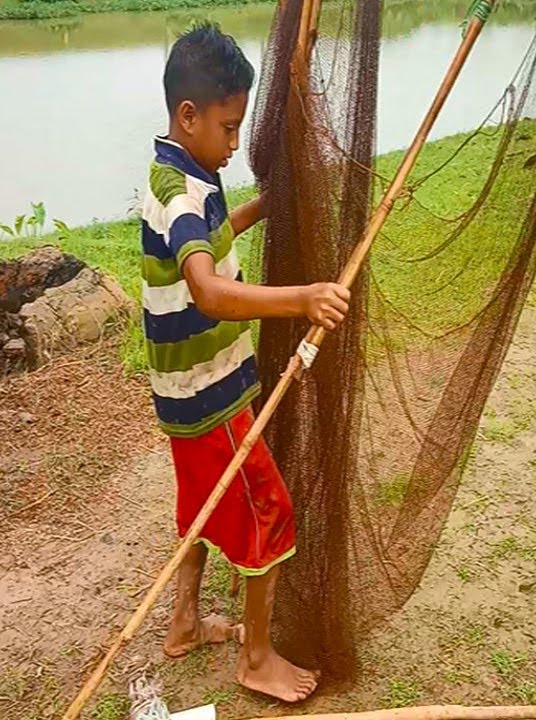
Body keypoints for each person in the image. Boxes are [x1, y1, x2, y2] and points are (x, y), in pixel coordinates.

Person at [141, 22, 348, 702]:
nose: (236, 144)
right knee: (269, 511)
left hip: (181, 394)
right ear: (187, 115)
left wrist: (268, 205)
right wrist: (303, 299)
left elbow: (215, 236)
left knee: (199, 508)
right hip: (208, 397)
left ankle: (181, 625)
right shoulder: (180, 195)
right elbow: (206, 287)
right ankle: (256, 658)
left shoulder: (184, 171)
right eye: (230, 129)